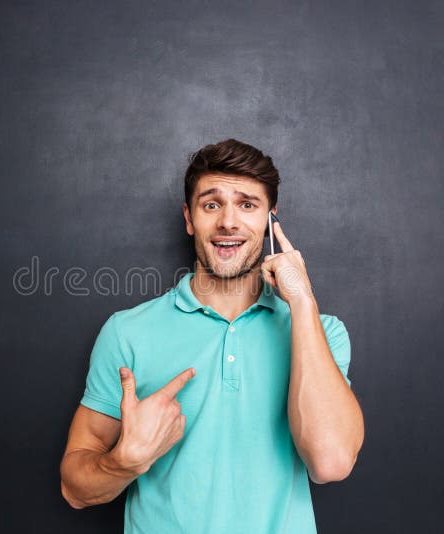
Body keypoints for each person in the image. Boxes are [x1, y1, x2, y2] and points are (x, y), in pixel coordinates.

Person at [60, 139, 365, 533]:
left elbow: (331, 463)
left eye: (247, 205)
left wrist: (302, 301)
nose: (228, 222)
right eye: (211, 205)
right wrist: (124, 462)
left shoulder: (322, 333)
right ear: (189, 218)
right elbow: (74, 489)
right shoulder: (127, 332)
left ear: (271, 219)